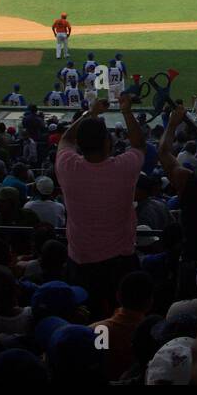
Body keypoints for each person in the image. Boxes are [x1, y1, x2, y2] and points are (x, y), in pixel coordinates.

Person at [56, 94, 147, 318]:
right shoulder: (123, 168)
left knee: (90, 320)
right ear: (108, 143)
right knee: (126, 318)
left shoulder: (68, 166)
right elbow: (139, 144)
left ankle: (97, 349)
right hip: (121, 262)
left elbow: (66, 139)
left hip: (82, 262)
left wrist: (91, 112)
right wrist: (126, 111)